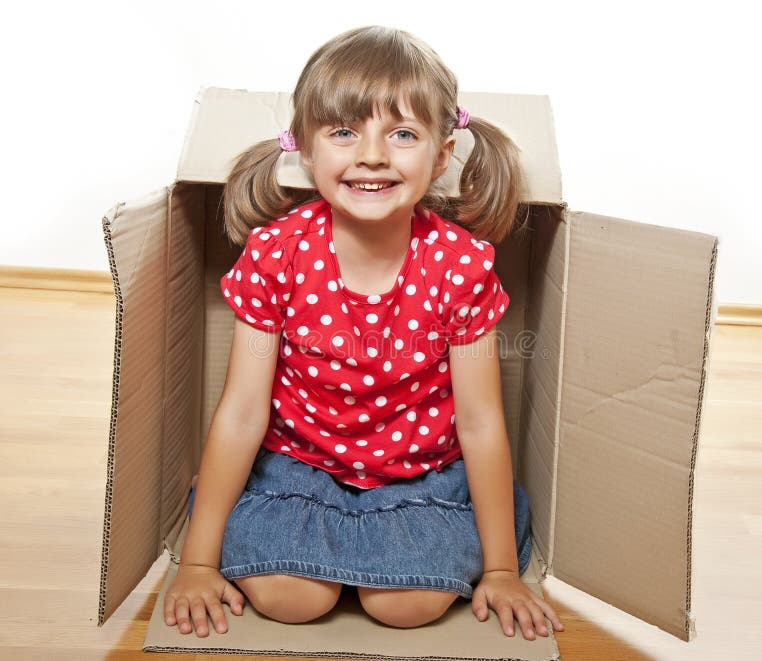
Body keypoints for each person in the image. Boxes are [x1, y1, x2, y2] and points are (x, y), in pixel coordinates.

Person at [163, 25, 565, 643]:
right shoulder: (278, 253)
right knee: (291, 598)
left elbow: (480, 421)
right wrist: (196, 562)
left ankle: (394, 559)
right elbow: (242, 411)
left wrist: (503, 571)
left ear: (441, 153)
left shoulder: (461, 265)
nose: (372, 155)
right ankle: (290, 543)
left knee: (406, 606)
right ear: (303, 147)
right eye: (344, 131)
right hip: (298, 469)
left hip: (421, 478)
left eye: (402, 134)